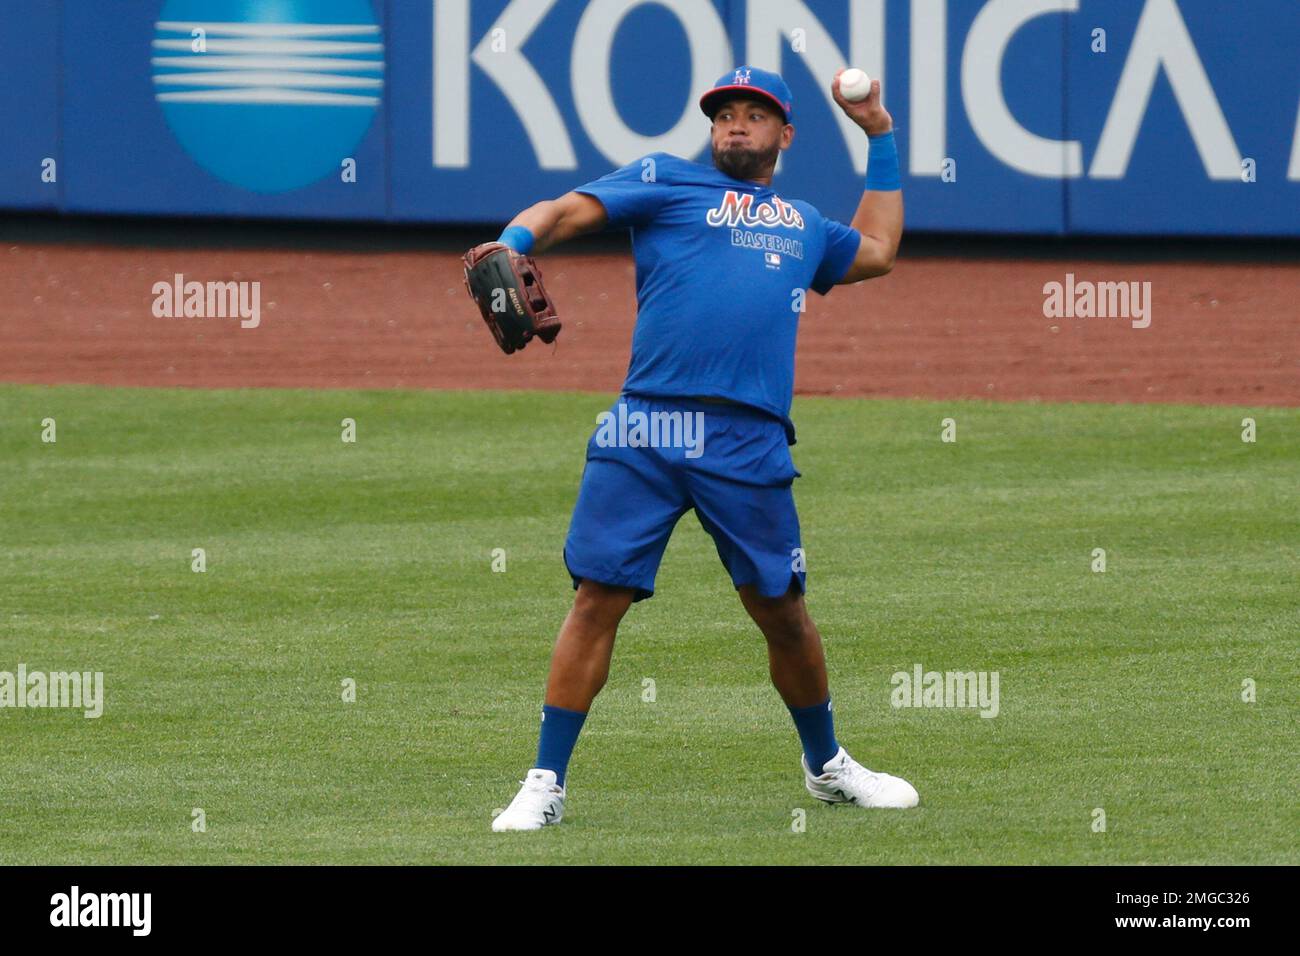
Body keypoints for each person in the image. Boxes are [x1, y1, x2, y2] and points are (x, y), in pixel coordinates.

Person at [490, 66, 916, 831]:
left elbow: (880, 250)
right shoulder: (664, 182)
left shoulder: (803, 221)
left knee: (782, 611)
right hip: (644, 428)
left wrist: (879, 134)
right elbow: (564, 210)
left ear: (784, 135)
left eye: (755, 115)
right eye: (725, 114)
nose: (736, 125)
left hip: (748, 439)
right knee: (597, 597)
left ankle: (827, 765)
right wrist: (511, 241)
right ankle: (543, 781)